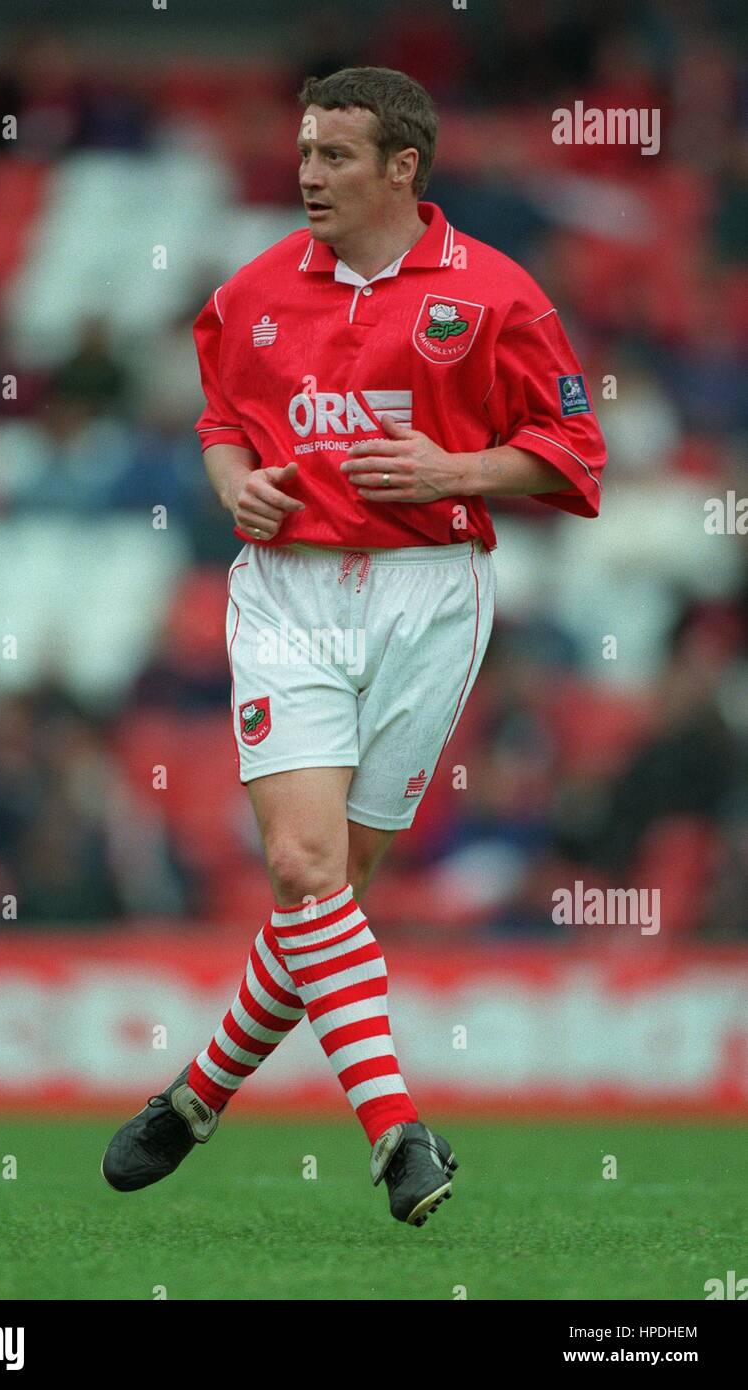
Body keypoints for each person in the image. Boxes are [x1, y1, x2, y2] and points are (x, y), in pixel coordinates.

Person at [102, 66, 606, 1227]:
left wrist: (455, 471)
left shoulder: (494, 296)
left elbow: (573, 449)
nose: (308, 174)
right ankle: (395, 1136)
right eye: (304, 151)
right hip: (288, 595)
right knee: (301, 867)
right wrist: (237, 487)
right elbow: (222, 421)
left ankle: (198, 1093)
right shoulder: (252, 291)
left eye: (334, 155)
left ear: (401, 168)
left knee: (335, 886)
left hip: (430, 594)